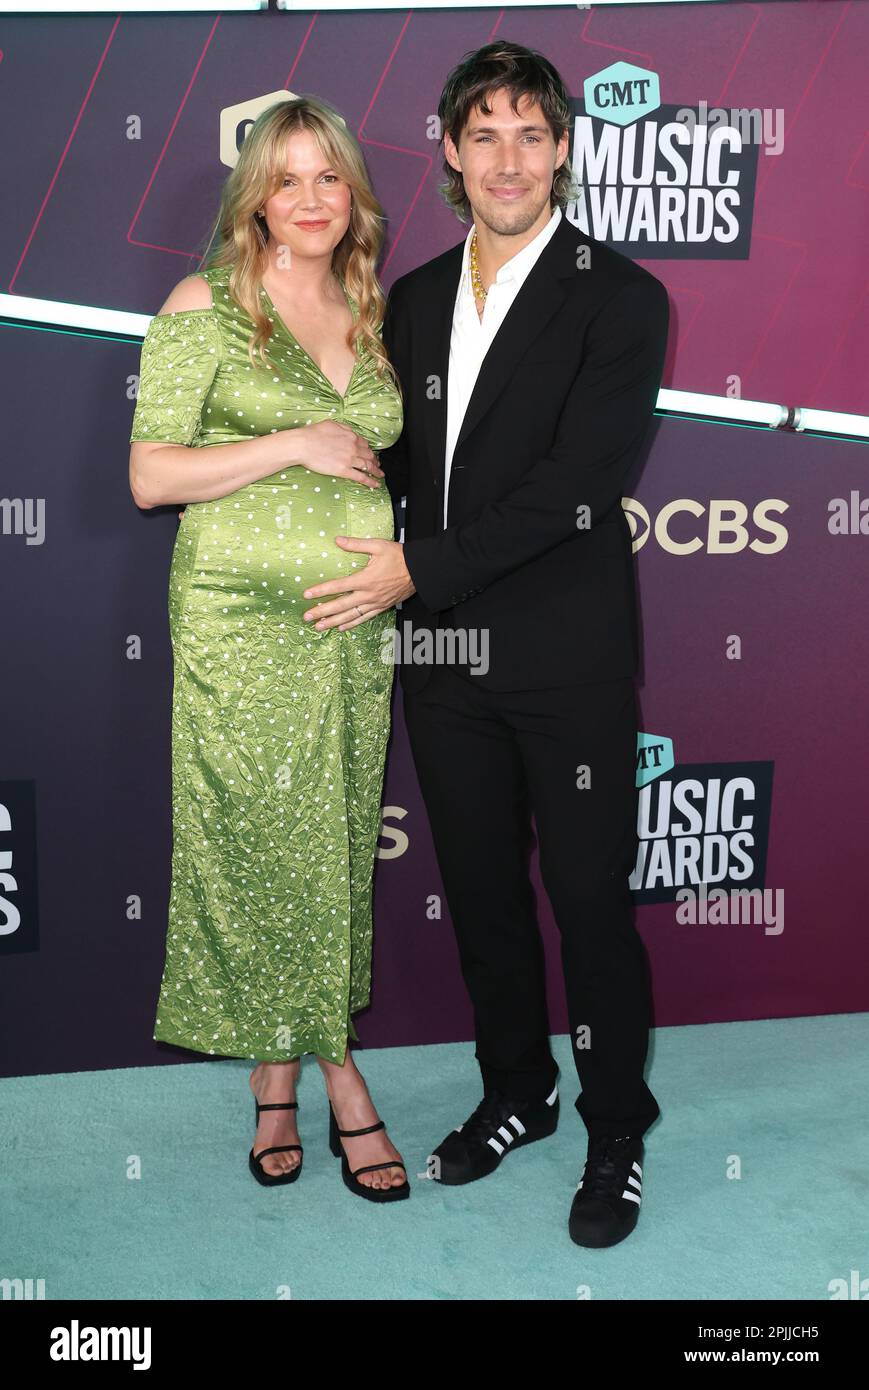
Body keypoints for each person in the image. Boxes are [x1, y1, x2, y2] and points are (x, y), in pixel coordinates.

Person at [301, 41, 669, 1246]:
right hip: (442, 663)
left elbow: (575, 487)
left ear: (561, 148)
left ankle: (614, 1126)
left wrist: (412, 567)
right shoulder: (408, 298)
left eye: (530, 133)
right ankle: (518, 1088)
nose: (507, 158)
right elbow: (403, 465)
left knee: (585, 903)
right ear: (450, 152)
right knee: (479, 899)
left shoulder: (618, 298)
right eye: (483, 134)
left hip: (562, 661)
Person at [128, 96, 409, 1201]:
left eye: (327, 178)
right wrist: (296, 436)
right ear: (254, 193)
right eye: (284, 178)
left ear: (352, 196)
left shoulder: (368, 305)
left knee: (333, 836)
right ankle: (337, 1078)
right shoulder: (205, 302)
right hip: (241, 622)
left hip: (356, 619)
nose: (307, 199)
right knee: (263, 842)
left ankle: (274, 1069)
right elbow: (152, 476)